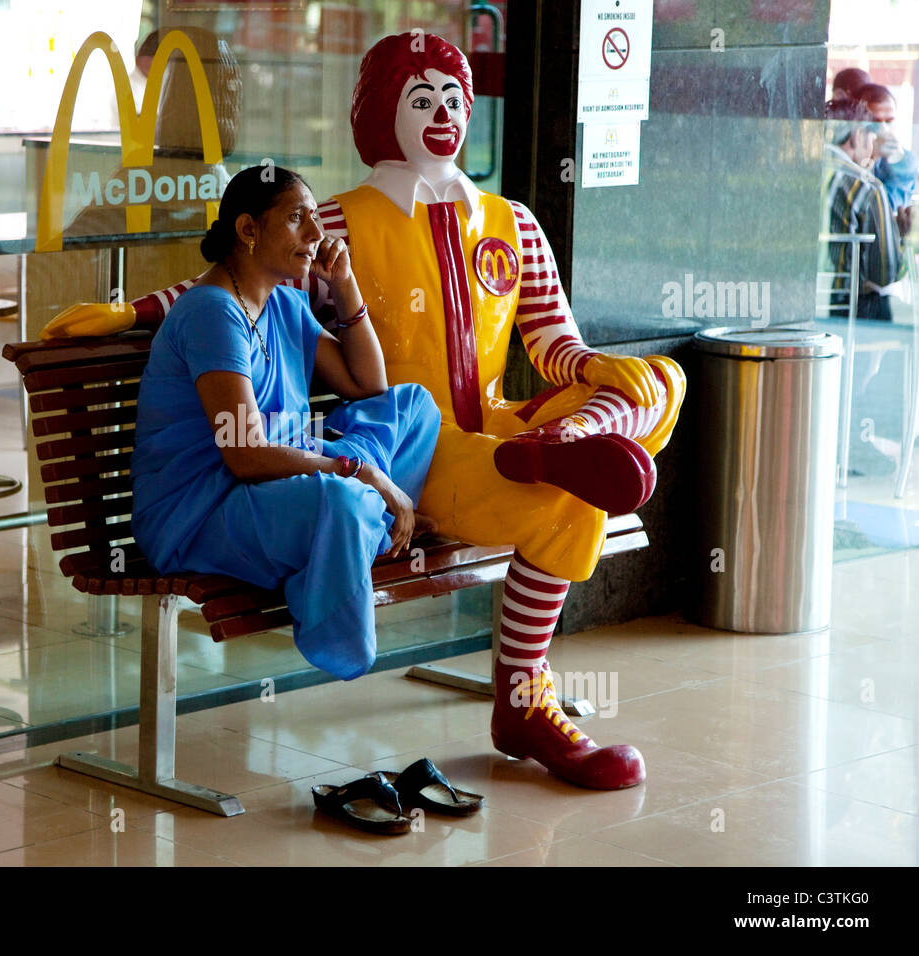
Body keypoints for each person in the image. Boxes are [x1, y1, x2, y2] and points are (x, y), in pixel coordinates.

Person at [46, 34, 686, 791]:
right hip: (316, 480)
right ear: (383, 113)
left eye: (453, 96)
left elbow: (395, 383)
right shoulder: (287, 260)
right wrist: (130, 312)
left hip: (447, 438)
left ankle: (558, 441)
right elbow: (213, 325)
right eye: (422, 98)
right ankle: (504, 677)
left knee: (643, 381)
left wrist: (592, 373)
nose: (443, 112)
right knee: (511, 501)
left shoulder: (505, 223)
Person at [130, 165, 440, 680]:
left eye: (316, 220)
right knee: (341, 499)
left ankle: (359, 528)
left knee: (414, 407)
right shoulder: (213, 312)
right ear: (248, 230)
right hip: (206, 511)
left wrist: (345, 287)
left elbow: (369, 387)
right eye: (297, 219)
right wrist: (362, 472)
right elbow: (245, 454)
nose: (316, 236)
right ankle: (355, 549)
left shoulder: (283, 304)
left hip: (279, 486)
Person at [823, 98, 904, 321]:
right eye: (872, 134)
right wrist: (903, 239)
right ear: (857, 135)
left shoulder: (805, 176)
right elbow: (884, 274)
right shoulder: (867, 188)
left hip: (812, 300)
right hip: (854, 309)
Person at [856, 82, 917, 227]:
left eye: (889, 121)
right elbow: (859, 205)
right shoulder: (852, 156)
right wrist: (871, 156)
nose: (883, 128)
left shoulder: (905, 161)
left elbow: (887, 207)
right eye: (875, 122)